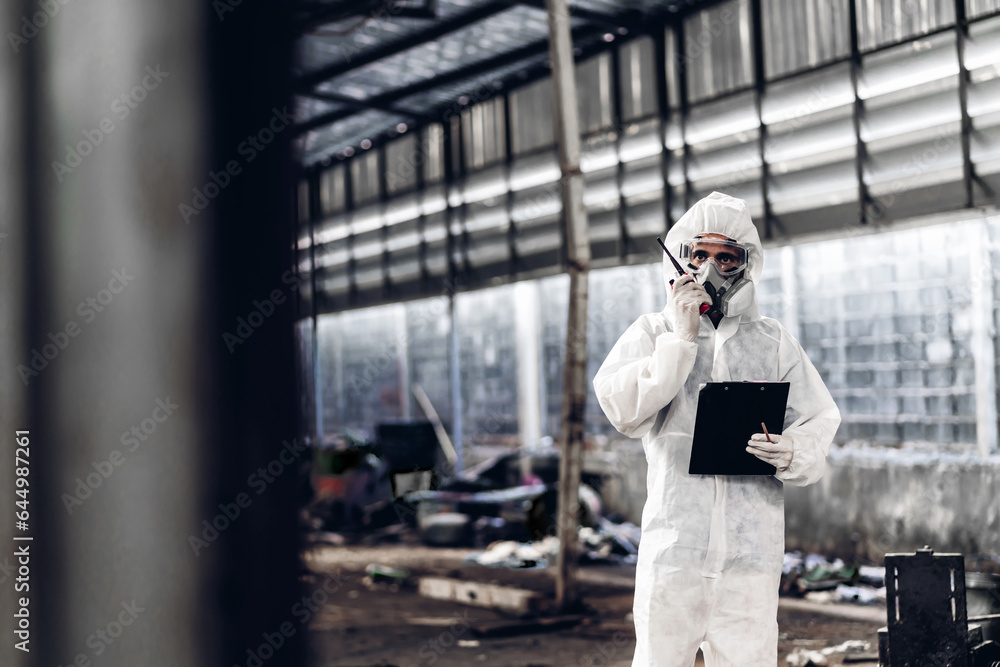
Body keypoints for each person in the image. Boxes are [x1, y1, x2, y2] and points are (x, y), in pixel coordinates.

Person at [592, 192, 841, 666]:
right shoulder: (651, 332)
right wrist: (680, 339)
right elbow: (623, 411)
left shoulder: (772, 341)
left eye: (726, 257)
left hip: (750, 561)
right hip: (675, 553)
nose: (711, 268)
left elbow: (819, 420)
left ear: (746, 267)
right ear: (680, 260)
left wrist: (791, 451)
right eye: (699, 255)